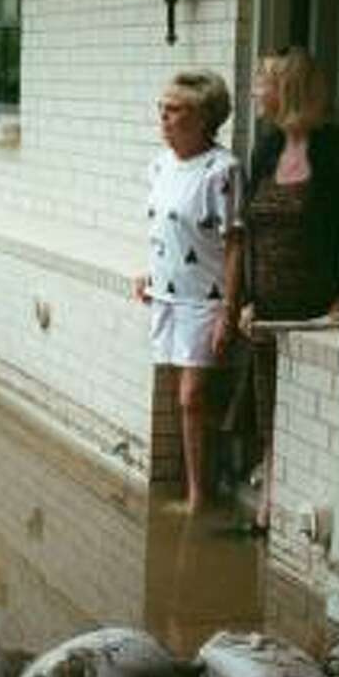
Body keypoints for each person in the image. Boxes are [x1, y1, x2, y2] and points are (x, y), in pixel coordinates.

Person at [237, 47, 339, 531]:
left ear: (287, 90)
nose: (254, 91)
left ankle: (287, 511)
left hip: (316, 312)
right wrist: (245, 299)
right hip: (266, 309)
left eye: (262, 82)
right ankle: (270, 501)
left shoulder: (336, 153)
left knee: (302, 415)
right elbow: (250, 230)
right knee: (269, 413)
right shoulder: (265, 149)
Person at [134, 71, 244, 514]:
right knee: (184, 396)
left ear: (204, 119)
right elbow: (162, 225)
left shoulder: (223, 170)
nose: (164, 116)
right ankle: (195, 486)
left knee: (192, 397)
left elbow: (236, 242)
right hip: (167, 295)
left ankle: (200, 495)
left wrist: (229, 311)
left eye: (176, 109)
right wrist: (149, 271)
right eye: (162, 107)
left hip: (206, 298)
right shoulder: (160, 164)